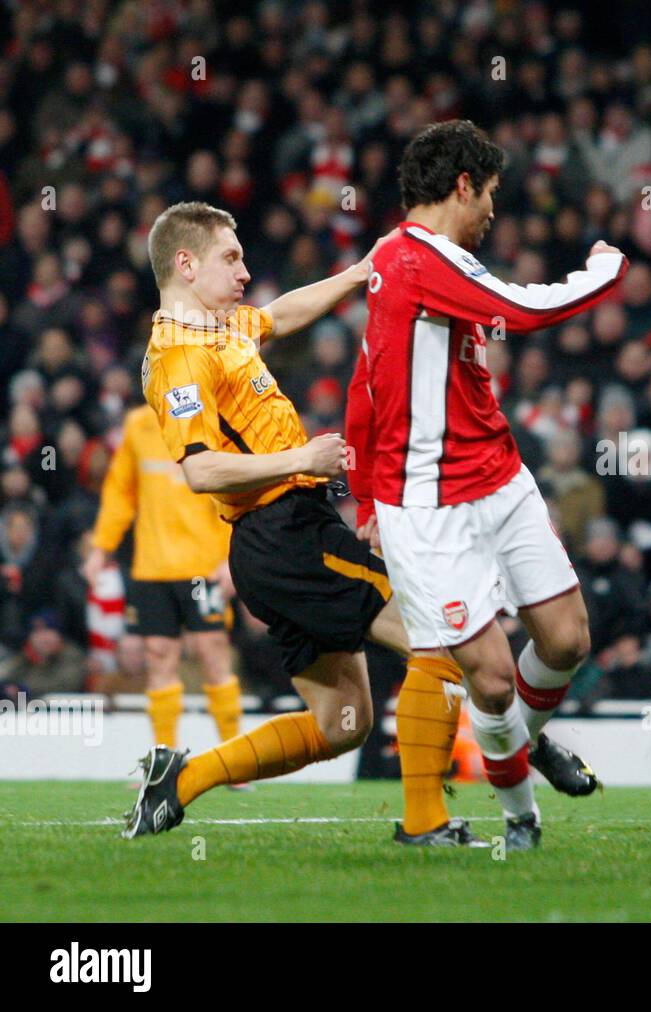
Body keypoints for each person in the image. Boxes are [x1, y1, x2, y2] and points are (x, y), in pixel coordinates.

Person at [122, 202, 480, 846]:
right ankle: (428, 823)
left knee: (343, 721)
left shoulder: (220, 327)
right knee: (441, 642)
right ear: (185, 263)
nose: (244, 270)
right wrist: (304, 458)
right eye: (230, 257)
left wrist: (358, 273)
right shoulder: (177, 355)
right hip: (282, 531)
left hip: (283, 536)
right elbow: (199, 472)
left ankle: (179, 781)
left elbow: (280, 314)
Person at [347, 121, 624, 850]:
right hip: (430, 507)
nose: (494, 211)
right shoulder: (413, 258)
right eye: (490, 193)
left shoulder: (410, 261)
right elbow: (527, 312)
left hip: (499, 478)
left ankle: (515, 748)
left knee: (566, 641)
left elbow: (367, 379)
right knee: (493, 683)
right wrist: (604, 269)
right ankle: (519, 815)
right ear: (463, 185)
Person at [84, 404, 242, 756]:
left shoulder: (212, 421)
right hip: (152, 567)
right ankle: (164, 757)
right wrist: (100, 549)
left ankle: (235, 757)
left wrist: (232, 558)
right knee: (158, 656)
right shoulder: (138, 424)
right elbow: (120, 492)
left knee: (213, 653)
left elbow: (233, 491)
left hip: (204, 566)